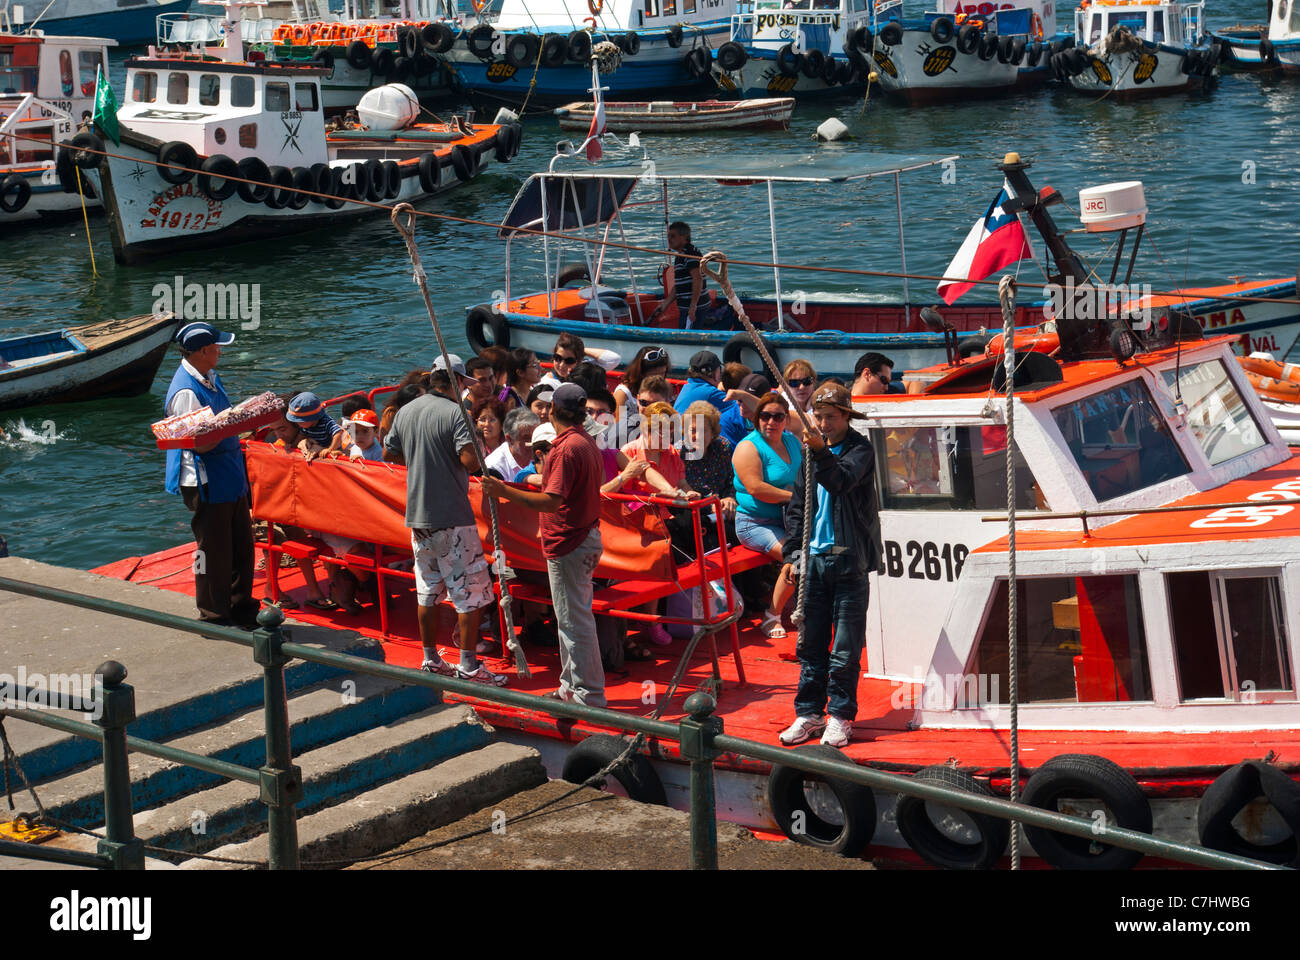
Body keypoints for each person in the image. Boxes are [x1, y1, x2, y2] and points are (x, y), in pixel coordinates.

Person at [482, 383, 606, 706]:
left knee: (574, 621)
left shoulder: (565, 449)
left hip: (570, 543)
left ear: (552, 411)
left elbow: (551, 502)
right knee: (572, 618)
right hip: (583, 539)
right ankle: (571, 685)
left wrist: (503, 491)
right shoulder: (585, 442)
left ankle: (588, 693)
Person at [779, 382, 881, 748]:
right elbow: (798, 508)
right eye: (819, 417)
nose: (823, 424)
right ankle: (808, 713)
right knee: (811, 645)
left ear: (846, 417)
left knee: (845, 650)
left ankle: (840, 716)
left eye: (830, 418)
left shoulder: (860, 450)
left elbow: (840, 482)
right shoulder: (811, 455)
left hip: (850, 563)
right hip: (815, 562)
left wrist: (821, 452)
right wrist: (792, 554)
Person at [383, 385, 507, 686]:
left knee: (427, 591)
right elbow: (471, 462)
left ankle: (431, 659)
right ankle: (469, 666)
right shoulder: (456, 413)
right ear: (455, 382)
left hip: (418, 519)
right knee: (471, 593)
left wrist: (423, 464)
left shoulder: (407, 410)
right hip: (452, 518)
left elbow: (389, 452)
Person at [163, 322, 257, 628]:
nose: (219, 351)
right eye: (216, 347)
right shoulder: (187, 392)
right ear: (203, 351)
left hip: (227, 473)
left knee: (241, 546)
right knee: (213, 554)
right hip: (206, 480)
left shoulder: (208, 377)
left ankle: (240, 606)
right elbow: (199, 444)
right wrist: (233, 424)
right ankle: (214, 615)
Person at [732, 391, 802, 639]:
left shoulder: (792, 441)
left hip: (791, 519)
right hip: (755, 524)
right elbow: (756, 488)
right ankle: (771, 616)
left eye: (778, 416)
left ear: (786, 419)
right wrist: (794, 496)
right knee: (798, 558)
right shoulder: (748, 447)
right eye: (765, 416)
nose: (771, 421)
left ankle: (801, 604)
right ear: (757, 418)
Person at [648, 221, 709, 329]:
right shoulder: (680, 256)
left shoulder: (691, 253)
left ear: (684, 237)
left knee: (689, 339)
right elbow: (679, 286)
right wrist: (664, 305)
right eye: (668, 236)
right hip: (686, 309)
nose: (669, 239)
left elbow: (698, 279)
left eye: (673, 236)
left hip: (695, 309)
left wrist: (693, 306)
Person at [287, 391, 348, 461]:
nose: (297, 423)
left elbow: (338, 433)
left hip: (331, 448)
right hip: (316, 446)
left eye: (300, 421)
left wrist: (330, 449)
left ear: (310, 419)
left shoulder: (326, 422)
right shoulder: (305, 425)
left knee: (334, 453)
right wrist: (293, 445)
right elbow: (301, 435)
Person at [485, 408, 539, 481]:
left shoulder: (541, 455)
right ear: (509, 439)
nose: (533, 442)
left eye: (535, 436)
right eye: (526, 438)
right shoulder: (494, 467)